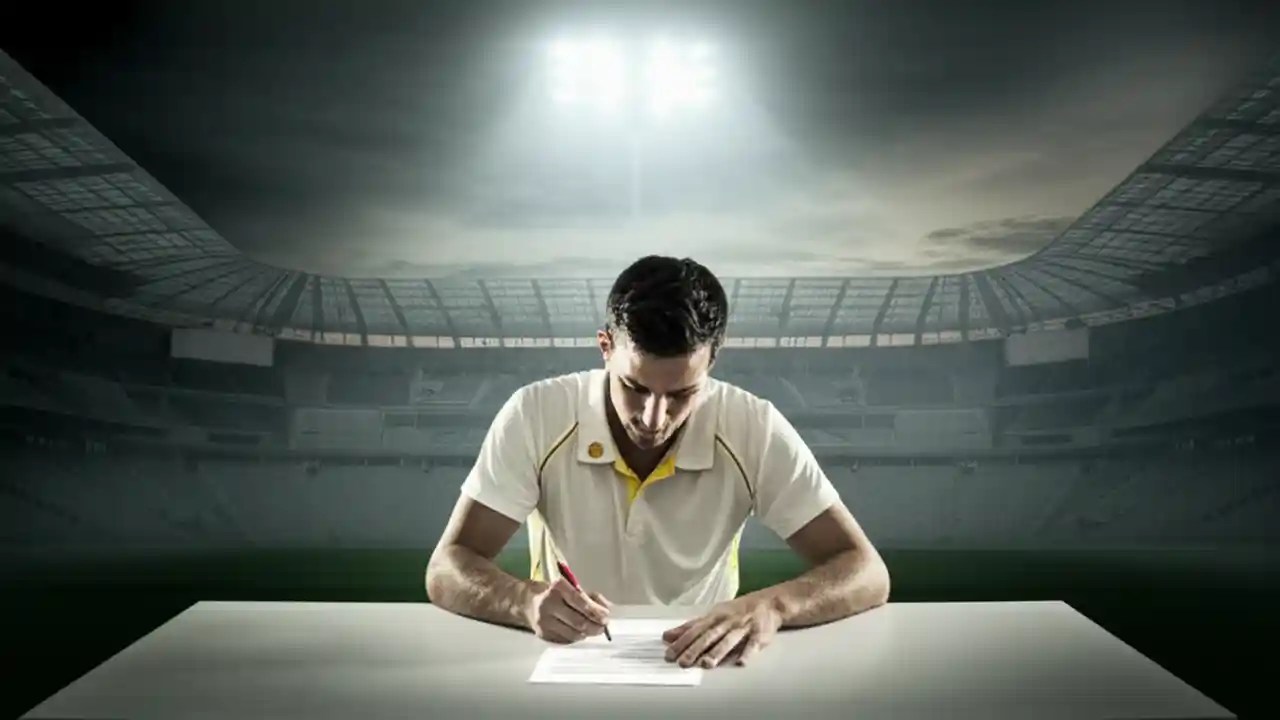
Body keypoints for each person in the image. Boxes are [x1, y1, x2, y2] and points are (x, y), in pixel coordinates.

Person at [426, 255, 890, 669]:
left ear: (712, 360)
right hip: (566, 663)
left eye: (682, 394)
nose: (653, 418)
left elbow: (866, 571)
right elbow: (447, 567)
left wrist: (773, 606)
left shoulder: (754, 425)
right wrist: (524, 602)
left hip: (704, 664)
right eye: (635, 388)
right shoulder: (534, 414)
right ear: (605, 346)